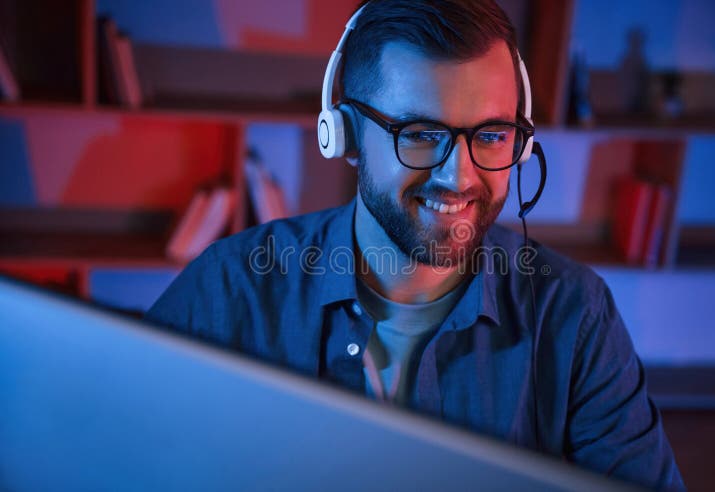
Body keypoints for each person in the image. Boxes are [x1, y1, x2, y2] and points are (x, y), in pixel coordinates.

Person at [146, 1, 685, 490]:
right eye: (422, 134)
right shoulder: (229, 290)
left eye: (492, 135)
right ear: (346, 136)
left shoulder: (574, 315)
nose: (459, 176)